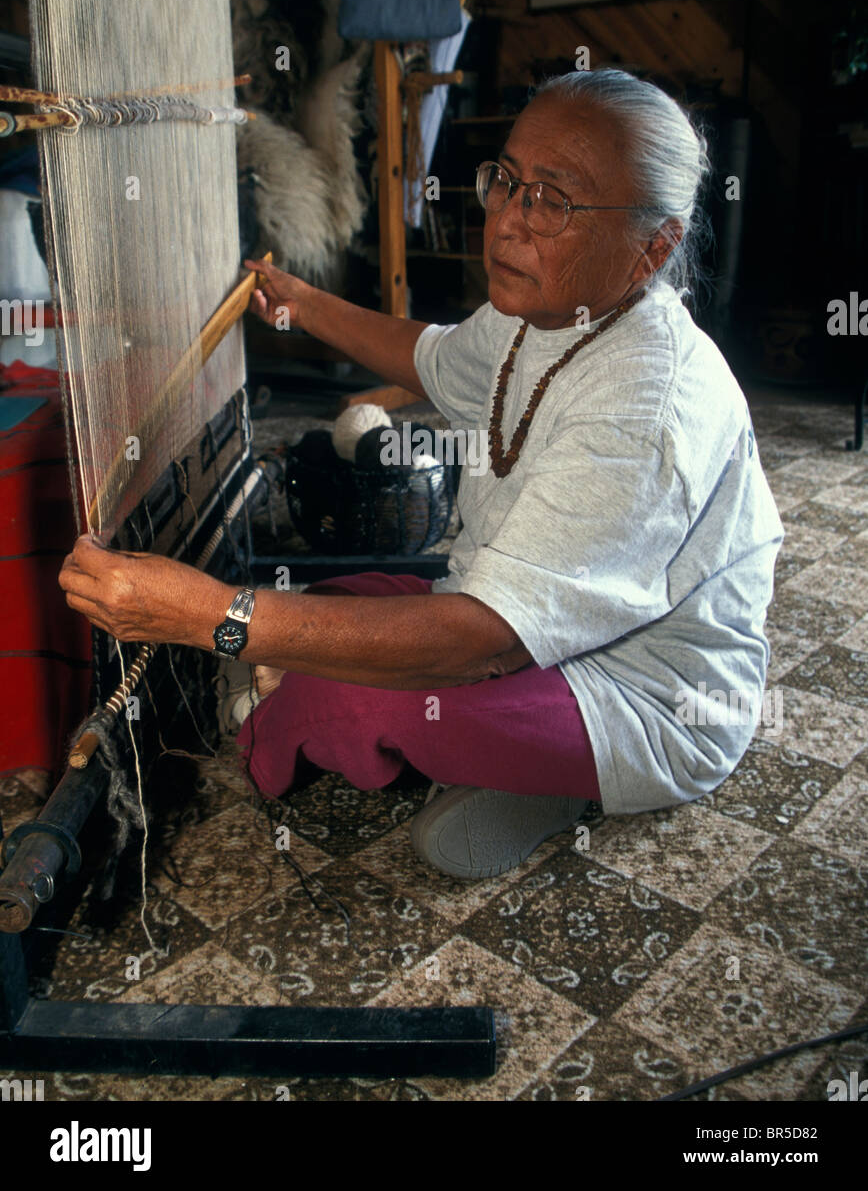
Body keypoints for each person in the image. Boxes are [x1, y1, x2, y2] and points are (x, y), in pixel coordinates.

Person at [59, 68, 784, 882]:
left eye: (553, 200)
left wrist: (214, 619)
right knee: (327, 609)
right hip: (527, 633)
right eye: (506, 180)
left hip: (645, 694)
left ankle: (571, 776)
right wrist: (298, 302)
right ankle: (520, 766)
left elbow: (483, 639)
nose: (508, 220)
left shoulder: (650, 408)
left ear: (656, 245)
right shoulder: (541, 312)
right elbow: (429, 356)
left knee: (351, 691)